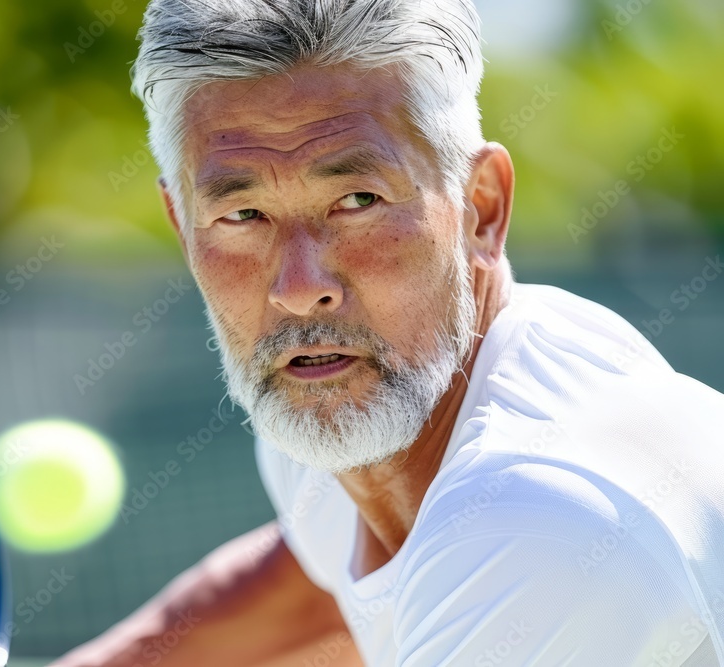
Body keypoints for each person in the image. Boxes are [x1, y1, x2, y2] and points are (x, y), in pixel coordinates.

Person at [54, 1, 724, 664]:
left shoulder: (537, 520)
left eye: (357, 201)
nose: (297, 289)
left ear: (480, 207)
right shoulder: (344, 398)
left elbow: (473, 559)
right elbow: (325, 586)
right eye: (244, 213)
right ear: (182, 225)